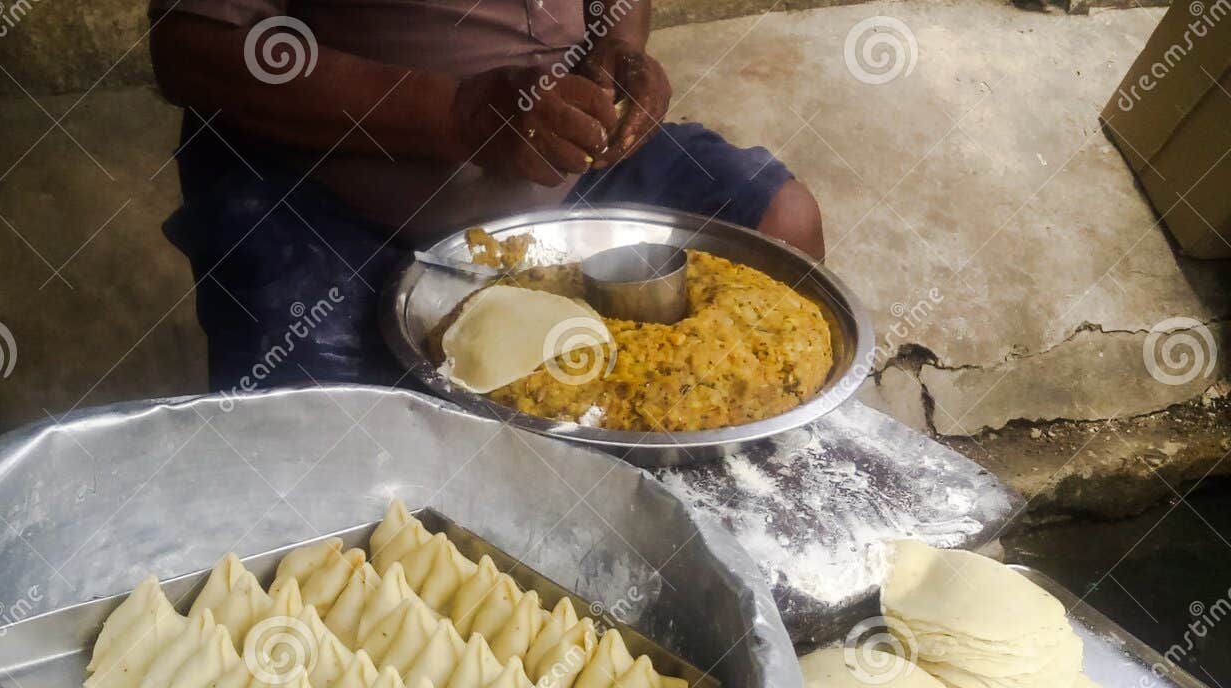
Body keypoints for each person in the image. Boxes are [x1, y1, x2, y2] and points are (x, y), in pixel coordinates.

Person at [151, 0, 824, 393]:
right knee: (332, 475)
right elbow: (192, 47)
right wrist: (456, 115)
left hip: (572, 172)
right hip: (335, 200)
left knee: (781, 228)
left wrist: (618, 53)